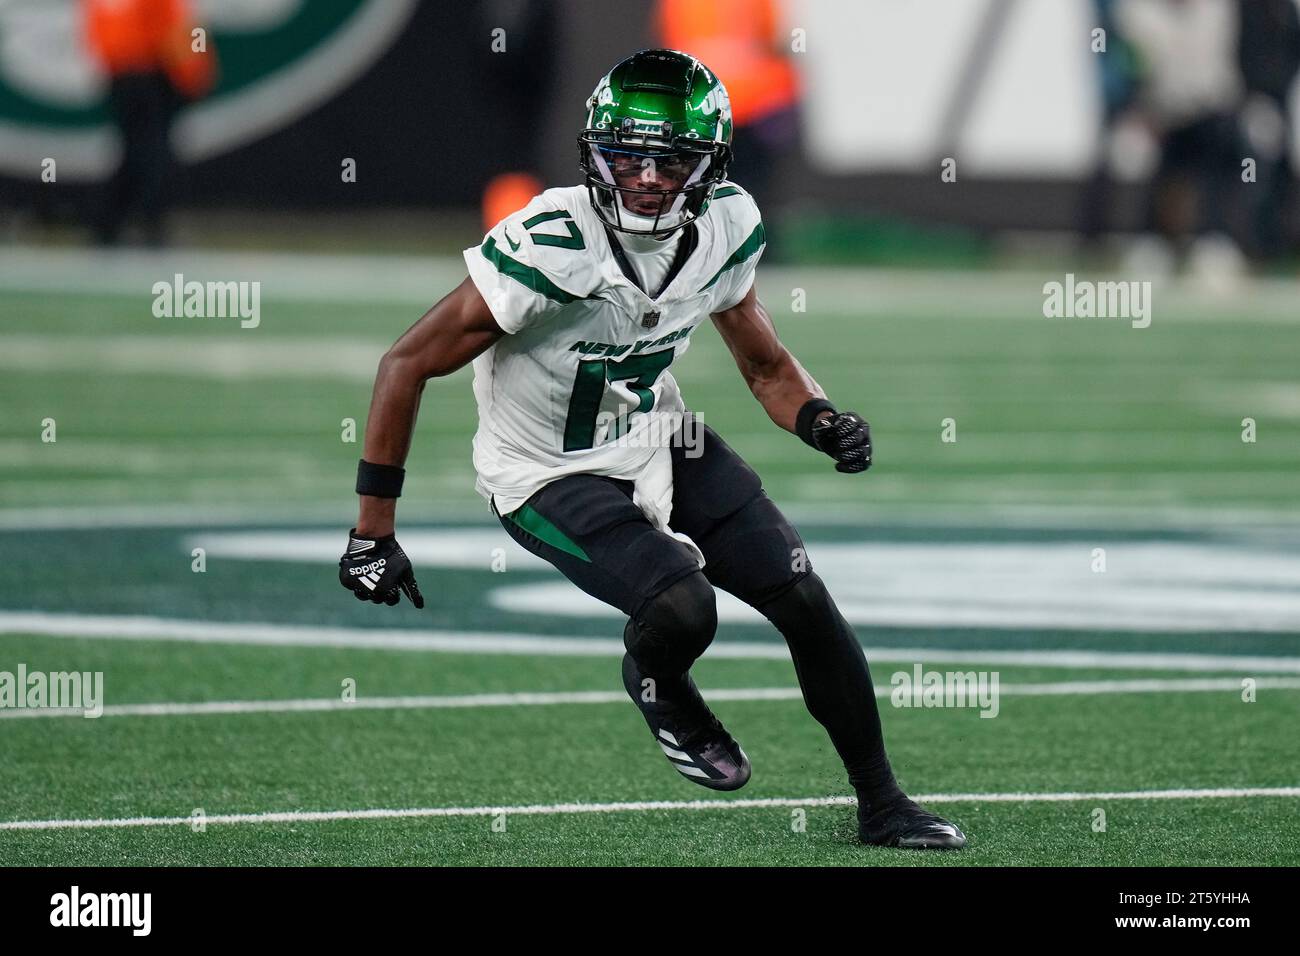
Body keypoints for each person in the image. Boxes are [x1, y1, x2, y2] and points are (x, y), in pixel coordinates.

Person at [338, 49, 965, 850]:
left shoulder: (726, 226)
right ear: (594, 154)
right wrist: (373, 530)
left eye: (669, 160)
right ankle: (658, 679)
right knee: (682, 607)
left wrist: (819, 419)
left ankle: (881, 802)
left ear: (707, 167)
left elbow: (767, 366)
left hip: (659, 434)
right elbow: (407, 362)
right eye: (625, 155)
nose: (644, 176)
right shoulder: (552, 243)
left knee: (803, 597)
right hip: (542, 469)